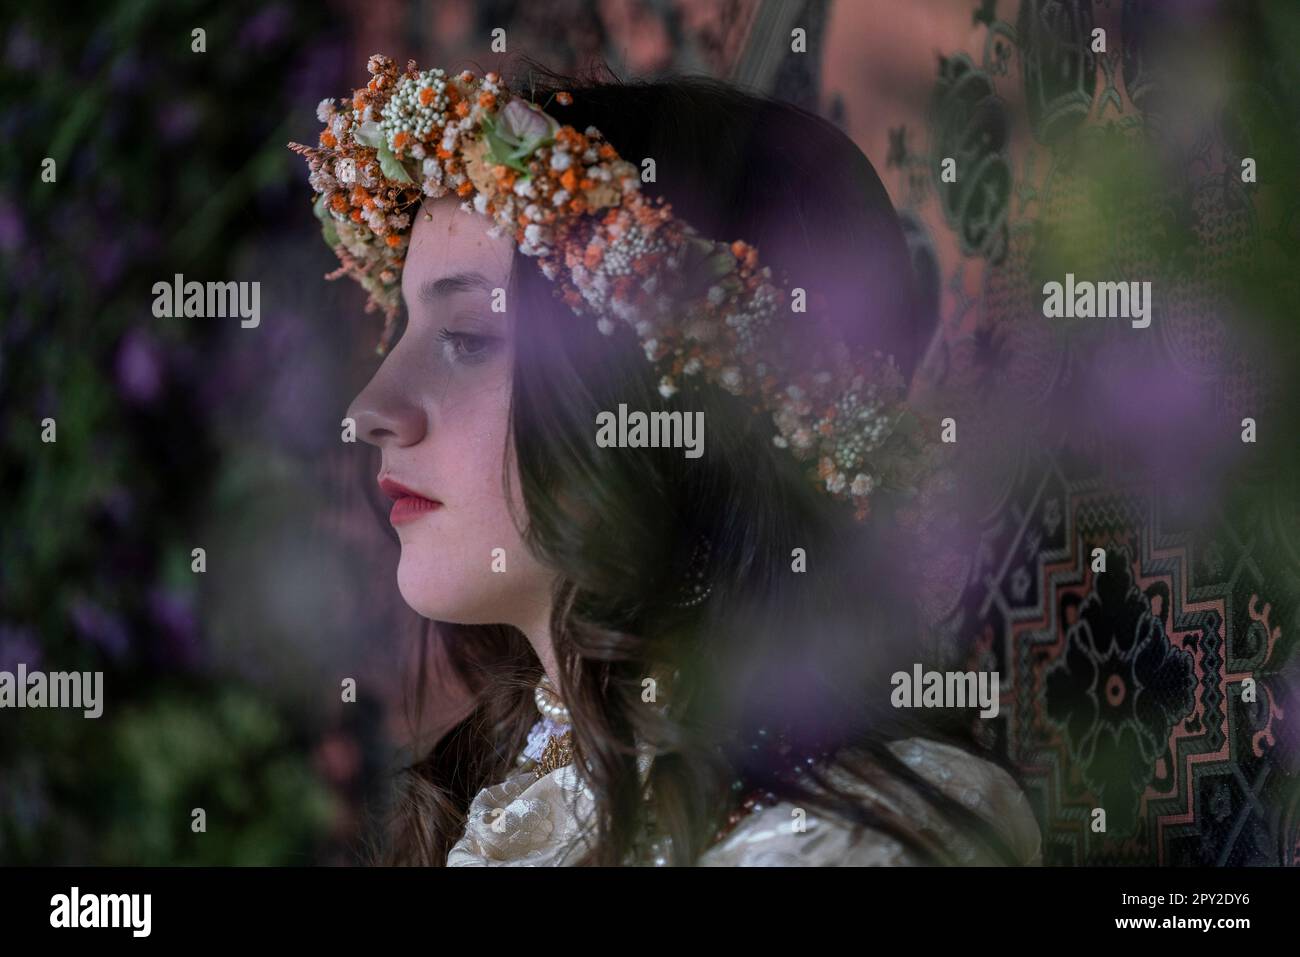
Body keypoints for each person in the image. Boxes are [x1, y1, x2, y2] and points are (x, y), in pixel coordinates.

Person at [295, 54, 1042, 866]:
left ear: (680, 398)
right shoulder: (497, 803)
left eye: (468, 338)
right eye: (401, 329)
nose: (370, 410)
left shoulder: (852, 832)